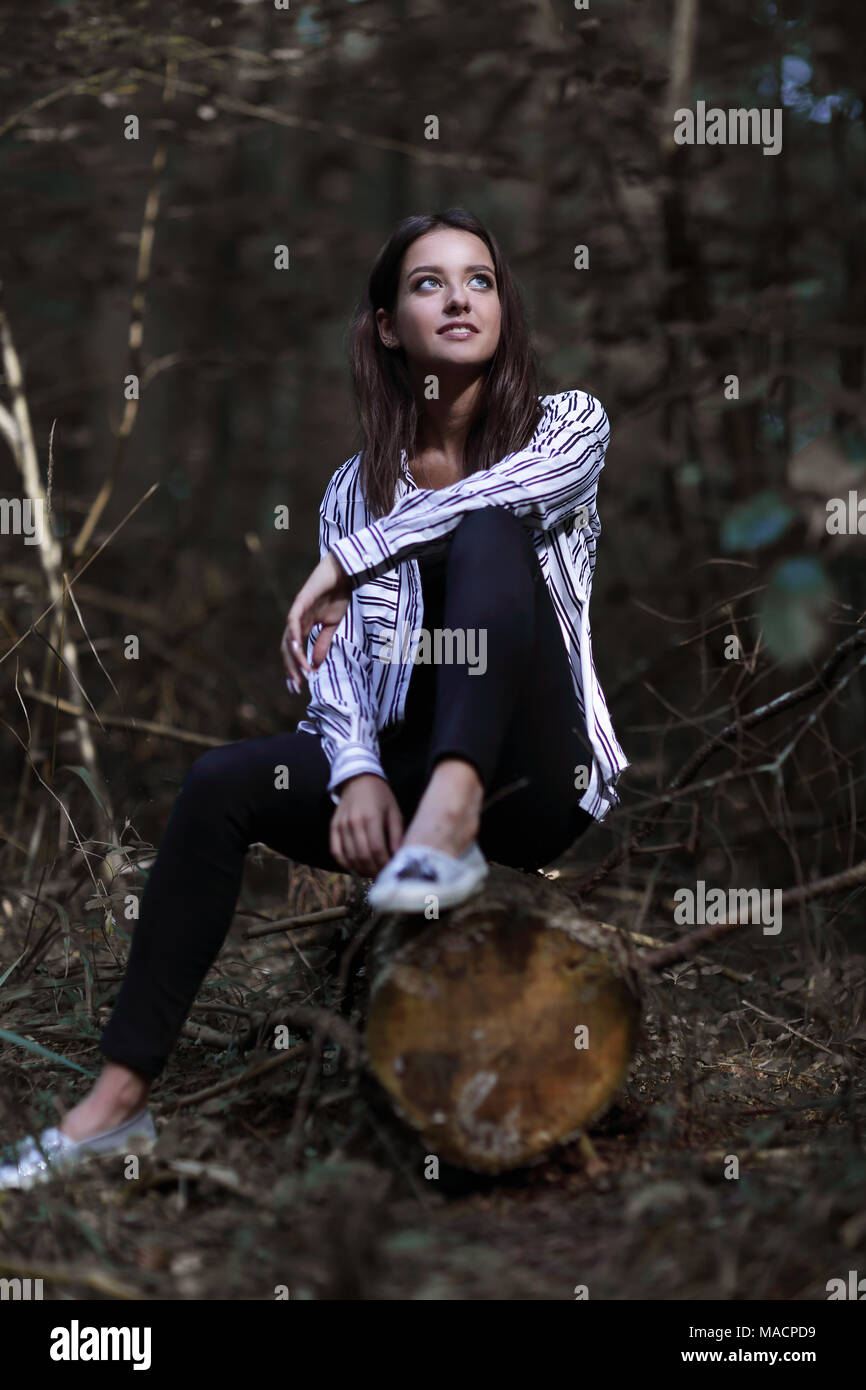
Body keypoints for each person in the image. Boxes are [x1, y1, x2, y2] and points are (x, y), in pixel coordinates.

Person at [0, 207, 629, 1190]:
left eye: (479, 280)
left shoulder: (567, 424)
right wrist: (358, 771)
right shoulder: (351, 490)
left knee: (486, 534)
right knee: (219, 783)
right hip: (402, 775)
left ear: (503, 307)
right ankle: (114, 1106)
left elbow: (488, 505)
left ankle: (452, 812)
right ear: (386, 325)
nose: (458, 299)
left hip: (537, 775)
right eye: (427, 283)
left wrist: (347, 560)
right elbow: (335, 669)